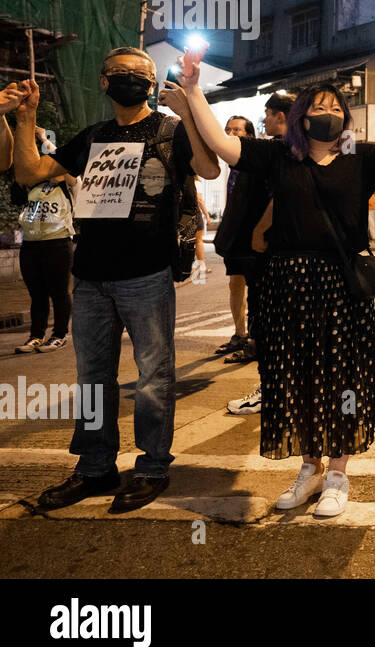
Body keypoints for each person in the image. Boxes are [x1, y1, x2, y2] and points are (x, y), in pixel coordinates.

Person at [179, 68, 375, 519]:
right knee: (299, 380)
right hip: (287, 287)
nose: (328, 114)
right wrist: (193, 91)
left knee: (342, 382)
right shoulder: (277, 157)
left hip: (341, 289)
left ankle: (338, 474)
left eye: (335, 109)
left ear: (344, 119)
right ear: (300, 118)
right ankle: (310, 467)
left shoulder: (358, 159)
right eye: (318, 107)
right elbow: (223, 145)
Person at [12, 48, 220, 514]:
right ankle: (94, 467)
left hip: (147, 273)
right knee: (92, 379)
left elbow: (209, 170)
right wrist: (25, 118)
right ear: (104, 82)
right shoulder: (93, 137)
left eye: (141, 74)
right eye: (122, 74)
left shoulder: (170, 131)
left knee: (153, 377)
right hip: (89, 277)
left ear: (152, 83)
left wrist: (188, 108)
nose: (132, 80)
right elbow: (30, 173)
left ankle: (151, 468)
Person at [226, 92, 294, 413]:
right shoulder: (295, 148)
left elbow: (281, 194)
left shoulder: (281, 150)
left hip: (271, 250)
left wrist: (259, 228)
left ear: (280, 116)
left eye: (267, 114)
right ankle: (280, 388)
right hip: (273, 250)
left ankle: (271, 390)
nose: (264, 119)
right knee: (273, 321)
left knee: (271, 321)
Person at [12, 127, 77, 353]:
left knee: (59, 292)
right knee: (36, 294)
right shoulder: (31, 184)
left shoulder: (67, 183)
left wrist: (43, 138)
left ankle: (59, 335)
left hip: (58, 242)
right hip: (30, 244)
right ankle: (35, 336)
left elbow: (63, 162)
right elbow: (17, 187)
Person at [213, 116, 259, 357]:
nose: (231, 133)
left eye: (237, 130)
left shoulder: (257, 162)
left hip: (253, 234)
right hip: (235, 234)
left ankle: (255, 337)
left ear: (249, 135)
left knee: (256, 286)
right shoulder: (232, 164)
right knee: (235, 283)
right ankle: (239, 334)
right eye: (228, 129)